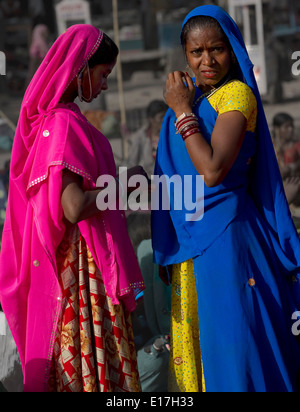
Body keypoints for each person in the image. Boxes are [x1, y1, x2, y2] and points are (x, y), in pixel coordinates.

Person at [152, 5, 300, 392]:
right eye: (196, 52)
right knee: (204, 356)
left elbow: (213, 169)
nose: (207, 61)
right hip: (193, 245)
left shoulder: (237, 96)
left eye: (216, 49)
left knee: (237, 350)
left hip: (230, 241)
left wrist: (182, 110)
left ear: (231, 50)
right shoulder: (194, 100)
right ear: (185, 55)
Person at [0, 25, 147, 392]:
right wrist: (124, 186)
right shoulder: (63, 124)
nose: (105, 86)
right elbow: (74, 206)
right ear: (81, 69)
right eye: (103, 75)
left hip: (78, 265)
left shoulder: (60, 118)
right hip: (83, 270)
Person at [126, 100, 168, 177]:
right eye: (161, 117)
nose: (164, 120)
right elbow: (132, 164)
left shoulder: (171, 135)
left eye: (166, 117)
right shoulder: (139, 138)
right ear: (151, 119)